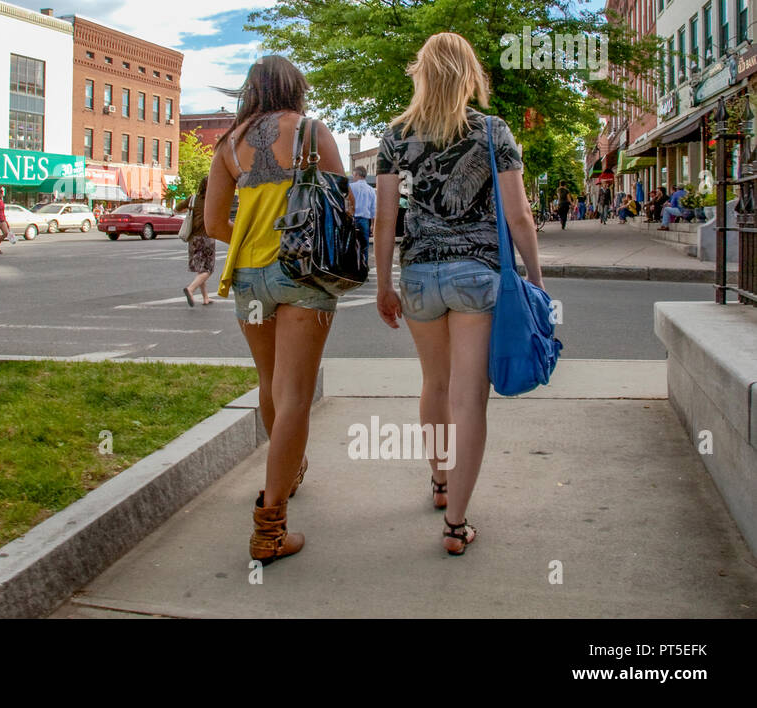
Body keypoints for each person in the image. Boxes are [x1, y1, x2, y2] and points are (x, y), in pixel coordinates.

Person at [374, 31, 543, 556]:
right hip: (478, 276)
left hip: (421, 275)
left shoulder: (395, 135)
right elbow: (518, 216)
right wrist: (536, 279)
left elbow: (384, 220)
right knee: (470, 399)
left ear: (421, 72)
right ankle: (456, 523)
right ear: (470, 73)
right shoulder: (494, 132)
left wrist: (383, 283)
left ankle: (440, 480)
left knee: (434, 385)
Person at [204, 55, 347, 564]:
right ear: (296, 87)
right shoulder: (311, 131)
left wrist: (252, 235)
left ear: (251, 90)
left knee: (269, 382)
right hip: (304, 272)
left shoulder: (228, 144)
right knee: (296, 397)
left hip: (247, 275)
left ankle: (287, 471)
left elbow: (213, 221)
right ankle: (270, 528)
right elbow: (343, 205)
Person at [175, 177, 215, 306]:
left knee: (200, 269)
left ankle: (205, 298)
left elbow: (176, 208)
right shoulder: (212, 200)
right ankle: (191, 289)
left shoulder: (192, 199)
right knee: (208, 269)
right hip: (207, 238)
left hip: (193, 239)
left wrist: (191, 211)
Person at [349, 166, 376, 245]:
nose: (353, 177)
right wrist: (372, 225)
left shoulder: (350, 187)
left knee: (351, 245)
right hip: (365, 221)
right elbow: (373, 209)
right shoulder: (371, 189)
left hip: (352, 219)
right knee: (364, 246)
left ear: (357, 174)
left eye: (353, 174)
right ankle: (364, 257)